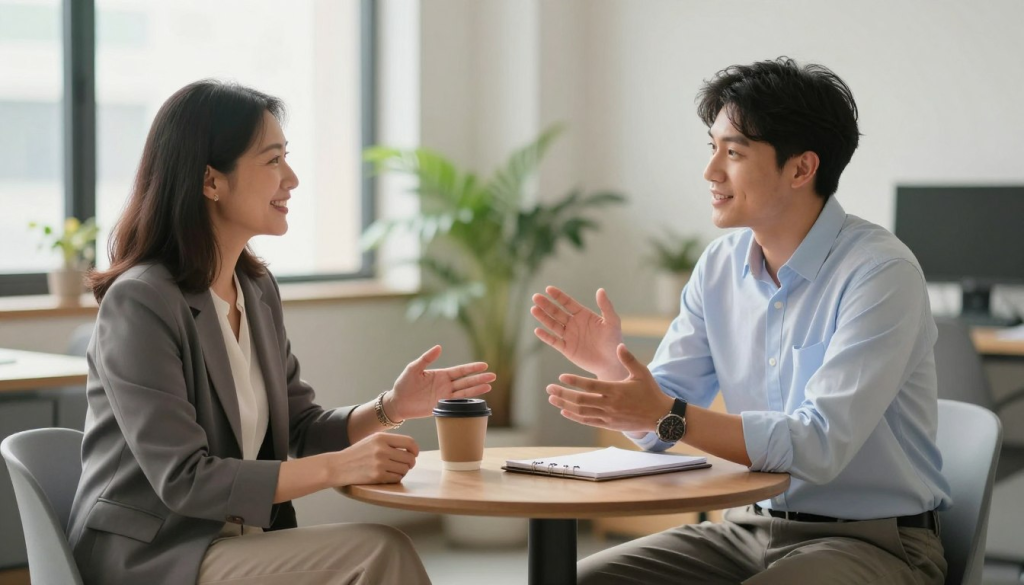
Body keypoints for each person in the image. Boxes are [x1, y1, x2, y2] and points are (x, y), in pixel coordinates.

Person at [531, 57, 951, 584]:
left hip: (873, 542)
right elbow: (659, 427)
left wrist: (668, 410)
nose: (711, 172)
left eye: (733, 153)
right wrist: (615, 371)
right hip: (747, 529)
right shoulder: (719, 266)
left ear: (801, 168)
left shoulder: (880, 273)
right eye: (713, 148)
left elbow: (817, 447)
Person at [66, 80, 495, 585]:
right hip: (154, 556)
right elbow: (185, 480)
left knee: (376, 550)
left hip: (237, 543)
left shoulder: (256, 289)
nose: (290, 179)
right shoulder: (140, 301)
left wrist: (392, 406)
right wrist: (340, 468)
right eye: (272, 161)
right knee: (378, 551)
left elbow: (301, 428)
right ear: (211, 181)